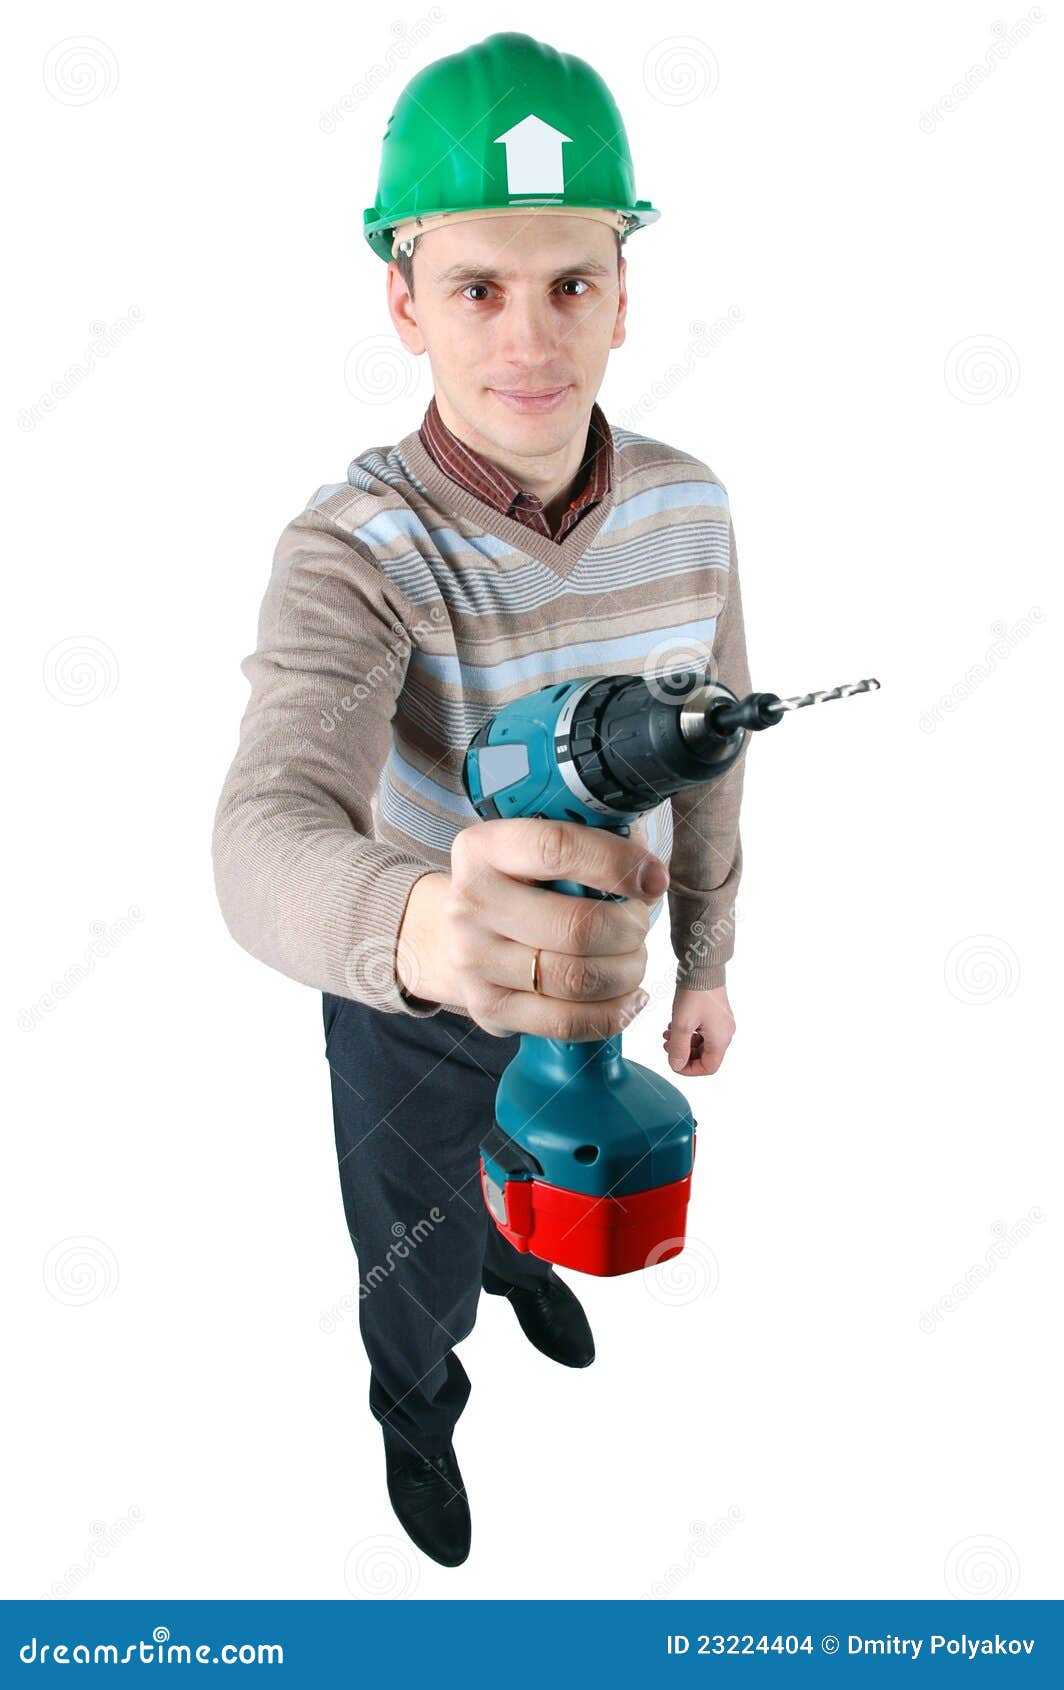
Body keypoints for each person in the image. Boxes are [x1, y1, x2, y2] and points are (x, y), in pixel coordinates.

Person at [212, 31, 752, 1568]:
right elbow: (260, 837)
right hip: (409, 986)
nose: (532, 335)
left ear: (626, 292)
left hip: (598, 981)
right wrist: (430, 930)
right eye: (477, 286)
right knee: (414, 1248)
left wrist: (704, 958)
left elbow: (717, 751)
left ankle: (522, 1268)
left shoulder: (692, 503)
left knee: (535, 1186)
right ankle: (418, 1397)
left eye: (573, 282)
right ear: (402, 293)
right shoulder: (357, 547)